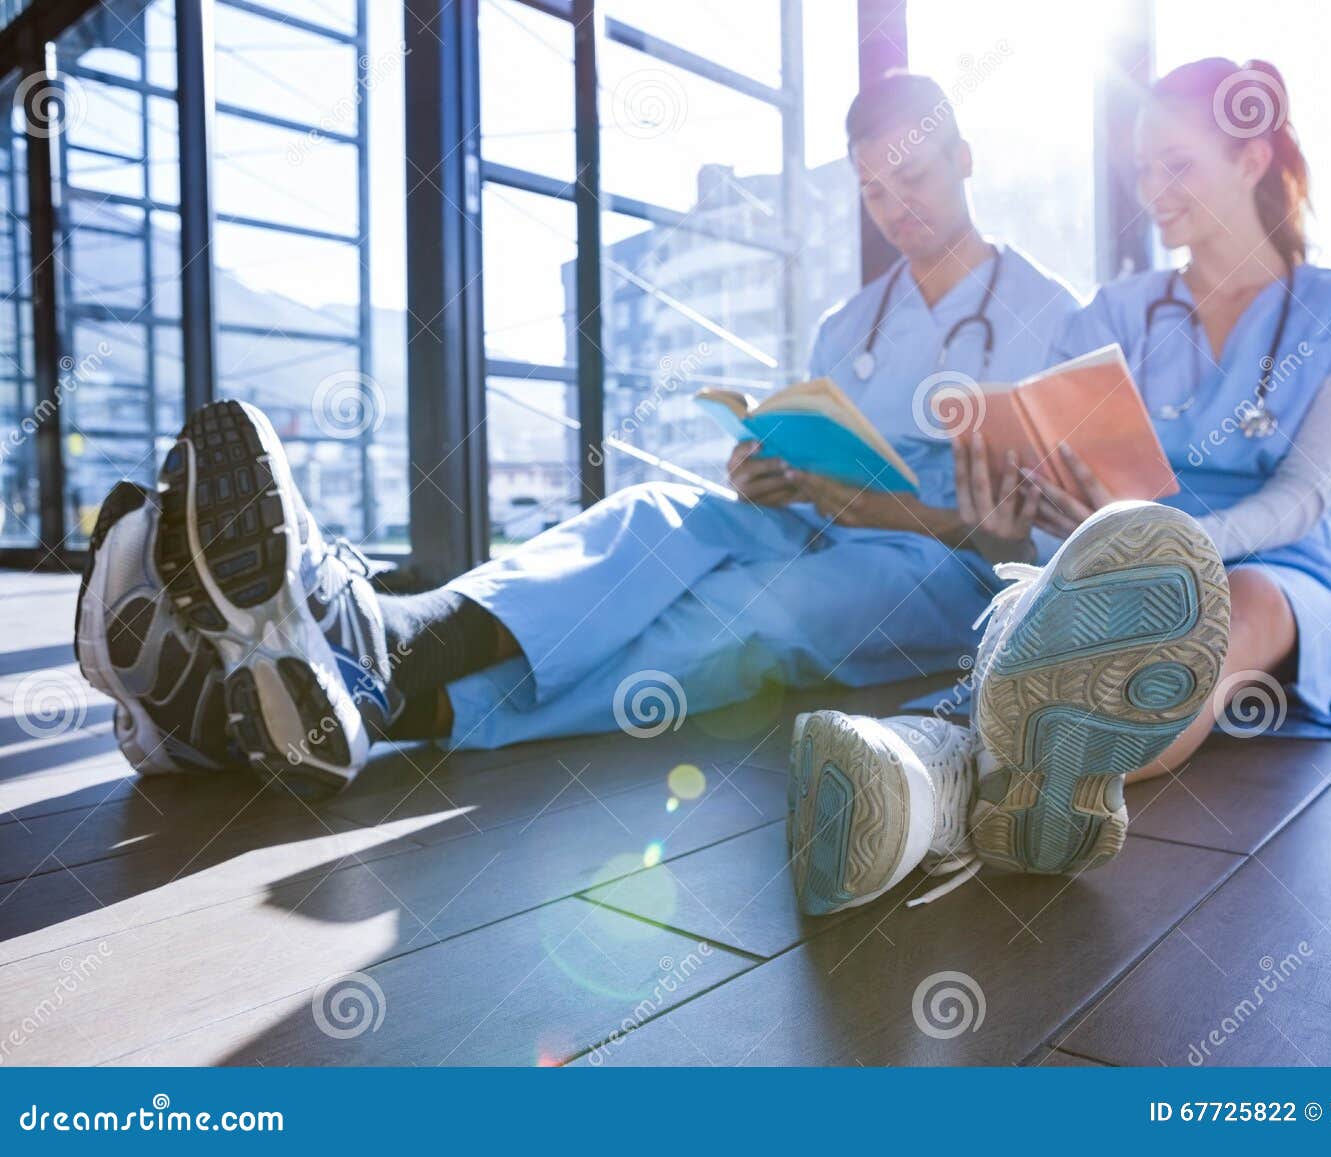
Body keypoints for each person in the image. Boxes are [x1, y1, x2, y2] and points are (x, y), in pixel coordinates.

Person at [73, 72, 1083, 798]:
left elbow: (1038, 550)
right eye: (872, 189)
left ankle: (368, 684)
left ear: (963, 157)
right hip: (817, 525)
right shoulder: (848, 322)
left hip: (939, 573)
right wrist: (766, 473)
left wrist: (922, 513)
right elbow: (815, 460)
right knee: (651, 513)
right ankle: (383, 646)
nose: (894, 206)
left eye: (912, 179)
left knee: (749, 610)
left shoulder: (1052, 318)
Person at [789, 57, 1331, 911]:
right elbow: (1065, 471)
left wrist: (1176, 545)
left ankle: (939, 791)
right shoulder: (1117, 313)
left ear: (1253, 157)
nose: (1153, 190)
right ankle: (921, 770)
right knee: (1073, 619)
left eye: (1178, 164)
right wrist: (1035, 518)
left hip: (1272, 560)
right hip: (1116, 556)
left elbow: (1304, 492)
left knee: (1234, 606)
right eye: (1141, 170)